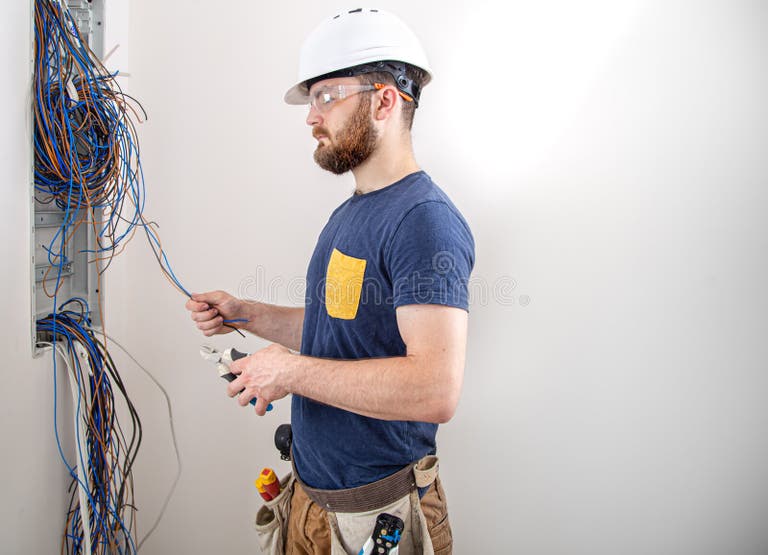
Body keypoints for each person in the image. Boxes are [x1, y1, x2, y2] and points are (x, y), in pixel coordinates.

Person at [186, 8, 474, 554]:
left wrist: (289, 371)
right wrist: (244, 314)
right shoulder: (353, 212)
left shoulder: (424, 220)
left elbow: (436, 388)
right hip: (313, 504)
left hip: (376, 517)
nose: (311, 118)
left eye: (326, 96)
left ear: (384, 100)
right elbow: (339, 328)